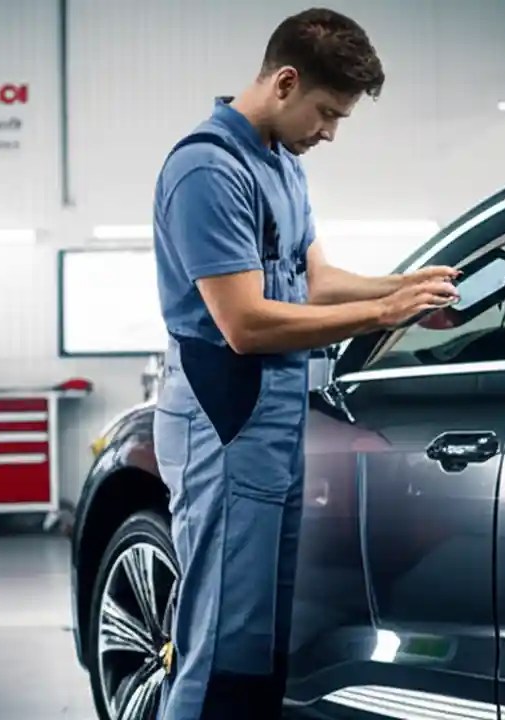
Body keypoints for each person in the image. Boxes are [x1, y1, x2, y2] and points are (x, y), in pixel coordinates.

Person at [150, 7, 459, 719]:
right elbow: (244, 322)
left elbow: (311, 281)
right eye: (327, 113)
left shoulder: (282, 164)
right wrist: (382, 314)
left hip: (273, 423)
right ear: (285, 82)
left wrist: (404, 288)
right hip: (224, 421)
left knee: (258, 643)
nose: (329, 133)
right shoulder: (207, 168)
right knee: (219, 642)